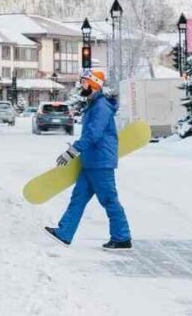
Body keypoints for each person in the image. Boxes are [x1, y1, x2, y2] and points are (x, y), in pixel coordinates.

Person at [45, 69, 132, 250]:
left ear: (93, 84)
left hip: (100, 162)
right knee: (78, 197)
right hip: (91, 161)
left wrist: (72, 151)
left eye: (84, 82)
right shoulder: (93, 104)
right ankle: (64, 233)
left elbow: (94, 134)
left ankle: (122, 237)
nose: (81, 85)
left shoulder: (101, 106)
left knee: (109, 199)